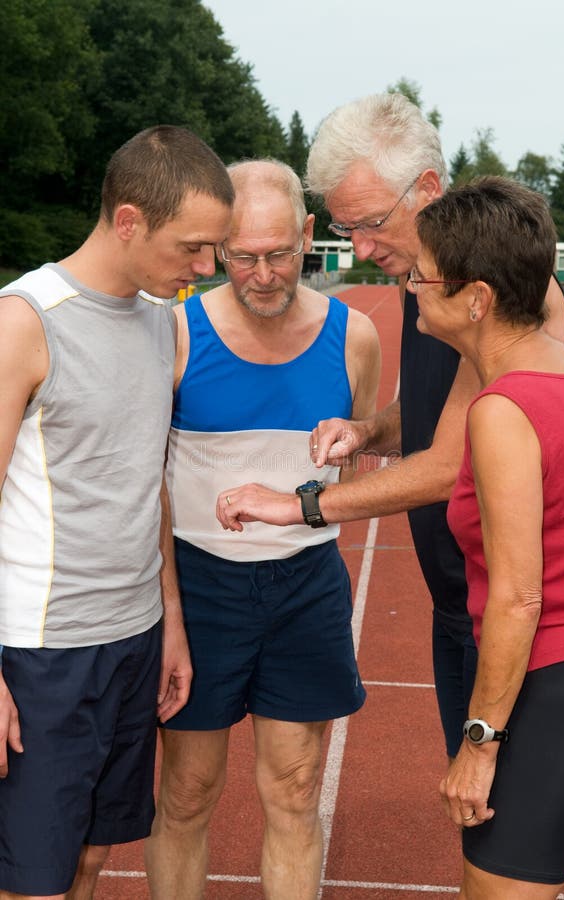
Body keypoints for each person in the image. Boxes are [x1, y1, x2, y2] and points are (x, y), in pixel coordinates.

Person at [216, 93, 564, 760]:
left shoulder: (485, 286)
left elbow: (449, 461)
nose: (359, 244)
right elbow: (439, 411)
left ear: (429, 189)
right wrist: (368, 432)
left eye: (372, 222)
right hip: (460, 602)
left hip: (522, 616)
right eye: (348, 227)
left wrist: (301, 507)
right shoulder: (427, 282)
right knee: (506, 825)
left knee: (533, 829)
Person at [0, 124, 234, 900]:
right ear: (129, 220)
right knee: (32, 880)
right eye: (191, 247)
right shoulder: (24, 320)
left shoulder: (160, 320)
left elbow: (149, 485)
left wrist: (168, 619)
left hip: (133, 640)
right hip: (42, 653)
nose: (206, 270)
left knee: (93, 860)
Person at [144, 159, 381, 900]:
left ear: (308, 236)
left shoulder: (356, 337)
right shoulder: (176, 333)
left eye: (280, 253)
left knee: (296, 790)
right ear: (217, 247)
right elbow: (146, 485)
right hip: (200, 582)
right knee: (186, 793)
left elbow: (359, 462)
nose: (264, 274)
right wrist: (172, 613)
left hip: (306, 584)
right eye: (242, 256)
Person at [410, 176, 564, 897]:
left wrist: (479, 742)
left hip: (552, 698)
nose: (411, 287)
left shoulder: (503, 409)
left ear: (477, 298)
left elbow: (520, 597)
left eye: (422, 277)